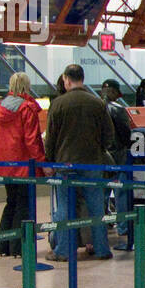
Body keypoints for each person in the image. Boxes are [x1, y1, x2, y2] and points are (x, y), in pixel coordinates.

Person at [43, 64, 115, 262]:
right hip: (93, 163)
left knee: (65, 206)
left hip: (66, 164)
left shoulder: (58, 104)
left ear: (66, 79)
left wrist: (50, 160)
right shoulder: (97, 103)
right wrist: (98, 149)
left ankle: (63, 250)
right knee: (96, 206)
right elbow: (109, 136)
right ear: (82, 78)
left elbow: (50, 139)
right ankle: (102, 249)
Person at [0, 72, 44, 257]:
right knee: (23, 204)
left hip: (3, 164)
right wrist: (41, 162)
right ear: (27, 86)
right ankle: (18, 247)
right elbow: (31, 140)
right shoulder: (27, 108)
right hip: (22, 165)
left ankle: (3, 245)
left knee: (10, 202)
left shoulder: (0, 107)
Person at [100, 79, 134, 237]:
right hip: (119, 156)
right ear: (114, 92)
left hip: (101, 155)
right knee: (120, 193)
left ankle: (102, 224)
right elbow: (126, 134)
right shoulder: (119, 109)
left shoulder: (96, 107)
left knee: (103, 192)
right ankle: (123, 227)